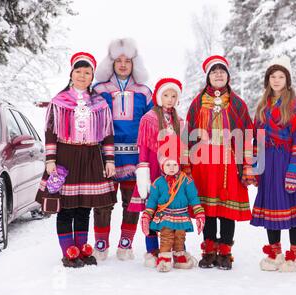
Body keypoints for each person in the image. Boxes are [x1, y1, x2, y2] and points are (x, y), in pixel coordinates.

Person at [36, 52, 116, 268]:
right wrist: (50, 160)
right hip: (65, 157)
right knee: (66, 208)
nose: (82, 75)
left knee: (84, 207)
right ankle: (68, 252)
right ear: (71, 74)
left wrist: (109, 161)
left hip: (91, 158)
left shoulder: (100, 103)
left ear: (92, 76)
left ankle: (81, 248)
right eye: (78, 71)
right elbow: (50, 132)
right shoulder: (59, 101)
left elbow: (108, 134)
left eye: (87, 72)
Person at [184, 55, 255, 270]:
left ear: (228, 76)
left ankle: (225, 251)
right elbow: (188, 134)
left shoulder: (237, 104)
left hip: (228, 161)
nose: (218, 75)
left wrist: (247, 164)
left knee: (226, 208)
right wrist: (186, 164)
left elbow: (247, 134)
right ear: (208, 77)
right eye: (214, 72)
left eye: (221, 71)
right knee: (206, 207)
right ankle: (208, 250)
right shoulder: (197, 103)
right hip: (203, 162)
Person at [93, 38, 153, 261]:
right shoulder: (98, 90)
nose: (123, 64)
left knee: (132, 202)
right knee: (103, 202)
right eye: (118, 60)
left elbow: (151, 124)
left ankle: (125, 245)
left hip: (134, 158)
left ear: (134, 64)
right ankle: (100, 245)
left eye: (127, 60)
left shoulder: (145, 92)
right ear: (110, 63)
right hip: (105, 157)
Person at [128, 77, 197, 267]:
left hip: (173, 171)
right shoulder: (148, 119)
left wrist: (185, 170)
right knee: (151, 208)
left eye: (173, 96)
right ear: (159, 97)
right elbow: (143, 148)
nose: (169, 99)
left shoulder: (181, 122)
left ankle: (175, 248)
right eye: (166, 95)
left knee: (174, 209)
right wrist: (143, 170)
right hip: (153, 167)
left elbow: (184, 150)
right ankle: (152, 250)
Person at [250, 56, 296, 272]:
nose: (276, 80)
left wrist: (294, 168)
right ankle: (274, 253)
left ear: (287, 80)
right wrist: (256, 167)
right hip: (268, 161)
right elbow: (256, 138)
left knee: (292, 208)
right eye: (273, 76)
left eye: (281, 76)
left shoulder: (295, 106)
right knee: (271, 208)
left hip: (286, 160)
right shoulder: (262, 105)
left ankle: (295, 255)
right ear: (267, 80)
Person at [140, 156, 205, 272]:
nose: (171, 168)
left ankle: (179, 257)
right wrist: (147, 215)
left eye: (175, 165)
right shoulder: (158, 183)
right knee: (166, 237)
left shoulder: (186, 181)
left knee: (180, 237)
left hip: (182, 216)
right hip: (165, 216)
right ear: (162, 167)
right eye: (168, 165)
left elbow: (193, 197)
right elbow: (152, 201)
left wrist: (199, 213)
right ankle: (164, 259)